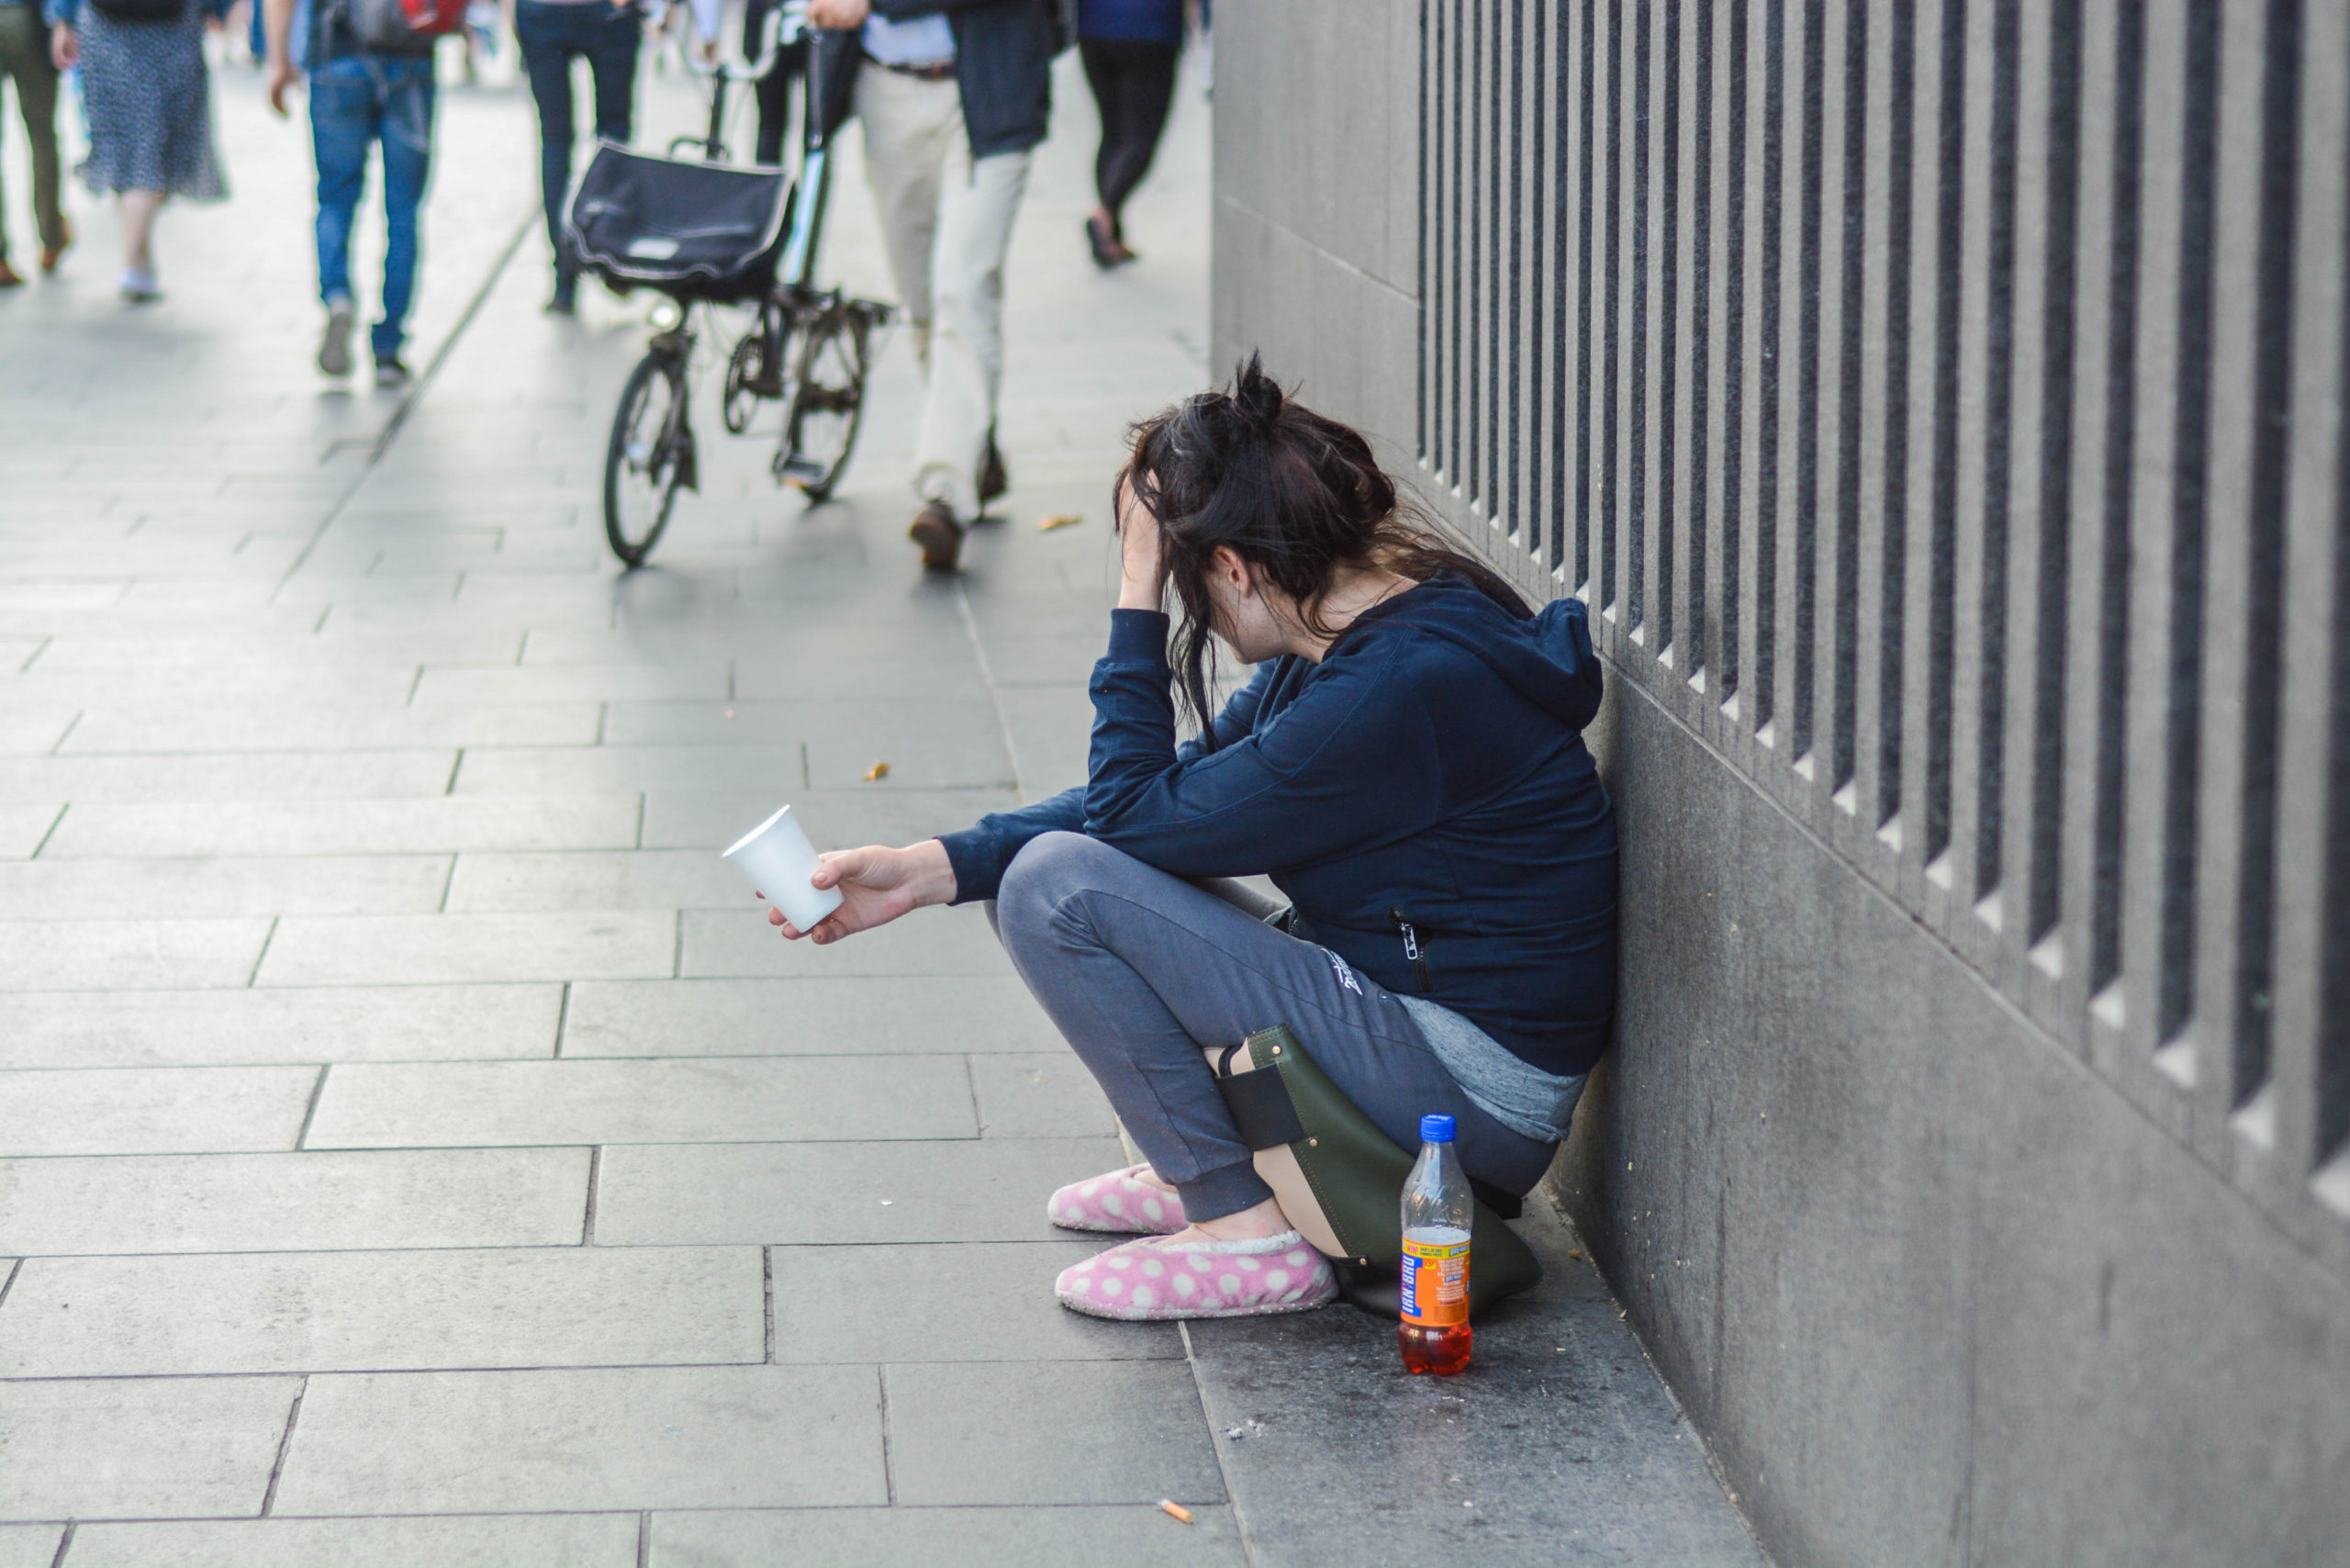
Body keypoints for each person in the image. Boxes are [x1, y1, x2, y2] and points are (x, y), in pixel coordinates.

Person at [761, 361, 1620, 1320]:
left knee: (1058, 888)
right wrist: (928, 870)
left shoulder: (1395, 689)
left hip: (1466, 1105)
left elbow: (1128, 814)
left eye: (1182, 579)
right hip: (1419, 1032)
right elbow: (1163, 803)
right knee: (1046, 875)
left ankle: (1243, 1227)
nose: (1185, 606)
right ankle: (1220, 1171)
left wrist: (1132, 589)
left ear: (1233, 568)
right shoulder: (1366, 633)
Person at [804, 0, 1057, 572]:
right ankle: (974, 446)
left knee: (962, 289)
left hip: (987, 91)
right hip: (884, 92)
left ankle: (946, 491)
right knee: (920, 301)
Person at [264, 0, 440, 386]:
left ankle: (338, 295)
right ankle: (390, 346)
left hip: (336, 58)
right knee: (404, 212)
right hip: (411, 62)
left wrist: (279, 62)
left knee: (335, 199)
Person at [46, 0, 229, 301]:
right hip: (172, 29)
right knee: (156, 145)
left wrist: (63, 19)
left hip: (106, 28)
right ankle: (134, 262)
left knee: (124, 141)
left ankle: (139, 261)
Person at [514, 0, 640, 314]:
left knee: (556, 141)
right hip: (604, 11)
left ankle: (565, 277)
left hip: (541, 10)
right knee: (612, 139)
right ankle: (610, 257)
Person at [1074, 0, 1179, 269]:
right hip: (1150, 28)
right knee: (1140, 139)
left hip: (1094, 28)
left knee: (1113, 133)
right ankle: (1105, 215)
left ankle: (1111, 236)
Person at [0, 0, 70, 286]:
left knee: (42, 136)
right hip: (26, 17)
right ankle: (51, 237)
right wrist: (62, 20)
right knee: (42, 136)